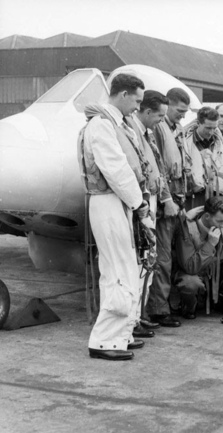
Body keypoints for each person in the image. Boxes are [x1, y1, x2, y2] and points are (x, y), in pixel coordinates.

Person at [77, 73, 149, 360]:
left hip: (112, 202)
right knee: (121, 272)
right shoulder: (103, 126)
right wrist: (139, 203)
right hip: (109, 202)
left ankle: (120, 334)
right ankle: (105, 340)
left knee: (117, 270)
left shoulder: (106, 124)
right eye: (137, 100)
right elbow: (117, 170)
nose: (137, 107)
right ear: (123, 95)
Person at [146, 87, 191, 328]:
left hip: (176, 203)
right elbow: (159, 168)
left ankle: (163, 303)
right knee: (162, 258)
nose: (182, 116)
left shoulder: (177, 130)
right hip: (166, 206)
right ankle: (158, 310)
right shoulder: (158, 129)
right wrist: (168, 201)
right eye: (179, 111)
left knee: (170, 257)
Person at [129, 90, 170, 339]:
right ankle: (132, 320)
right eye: (159, 115)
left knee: (148, 262)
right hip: (142, 205)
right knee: (139, 263)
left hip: (151, 203)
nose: (161, 121)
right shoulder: (133, 134)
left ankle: (138, 315)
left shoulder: (146, 134)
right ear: (146, 111)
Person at [184, 106, 223, 211]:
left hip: (219, 201)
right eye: (208, 128)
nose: (211, 132)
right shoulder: (185, 144)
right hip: (194, 201)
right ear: (198, 123)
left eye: (214, 128)